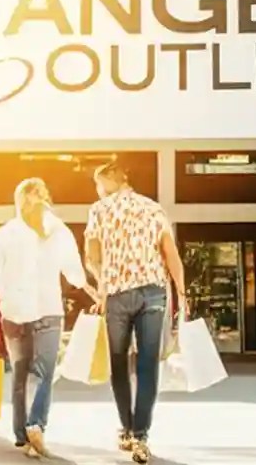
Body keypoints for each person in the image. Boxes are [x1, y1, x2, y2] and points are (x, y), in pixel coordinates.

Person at [0, 178, 95, 458]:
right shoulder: (59, 231)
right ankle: (36, 425)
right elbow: (74, 274)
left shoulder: (5, 234)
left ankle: (22, 437)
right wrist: (95, 292)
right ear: (46, 198)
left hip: (13, 312)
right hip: (48, 309)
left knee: (20, 375)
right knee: (44, 374)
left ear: (18, 200)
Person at [84, 161, 186, 465]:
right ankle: (141, 435)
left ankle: (127, 430)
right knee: (147, 365)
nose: (98, 190)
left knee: (118, 364)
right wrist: (181, 292)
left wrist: (103, 283)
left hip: (117, 295)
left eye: (98, 185)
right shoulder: (153, 208)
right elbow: (170, 253)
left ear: (107, 183)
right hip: (153, 294)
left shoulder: (99, 210)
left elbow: (92, 256)